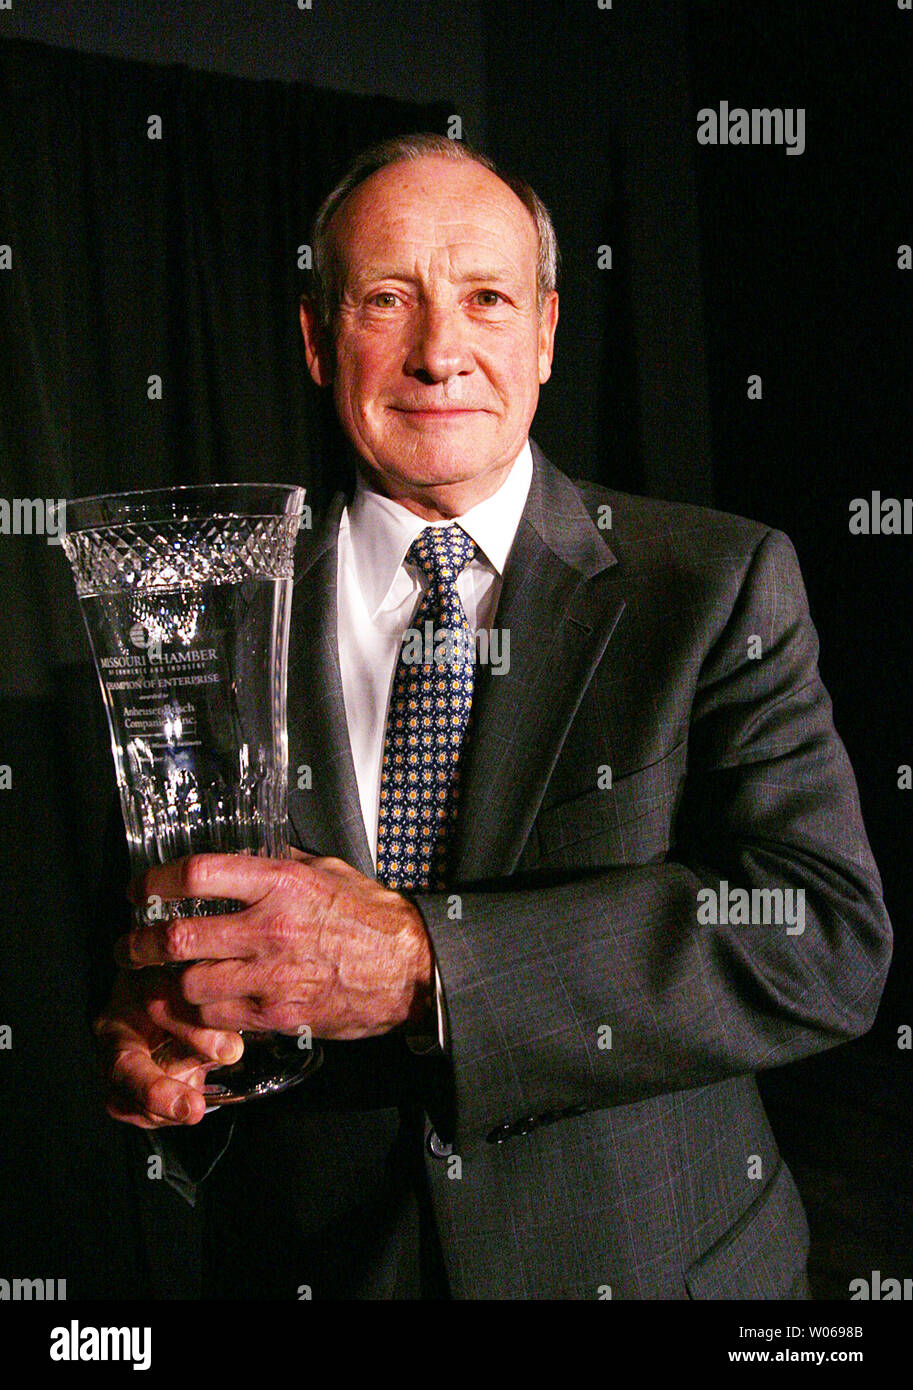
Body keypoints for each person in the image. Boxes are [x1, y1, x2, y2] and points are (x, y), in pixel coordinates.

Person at [92, 133, 892, 1300]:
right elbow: (175, 953)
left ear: (547, 333)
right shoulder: (212, 612)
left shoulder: (714, 583)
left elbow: (824, 940)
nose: (439, 352)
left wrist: (426, 964)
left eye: (485, 297)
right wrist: (158, 1038)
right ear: (318, 339)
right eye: (385, 299)